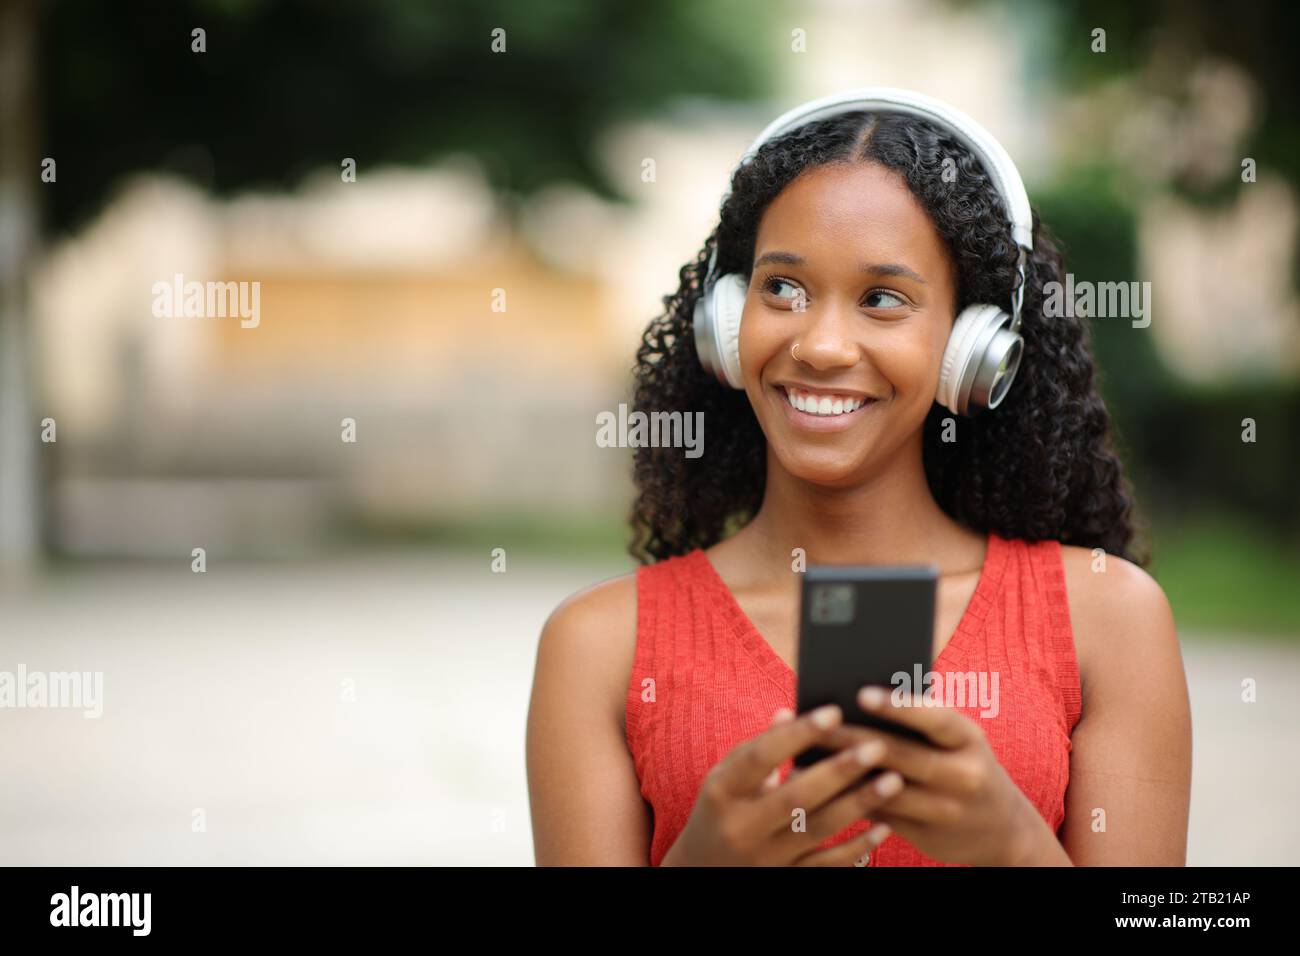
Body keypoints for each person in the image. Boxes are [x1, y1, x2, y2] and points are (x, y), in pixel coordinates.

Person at [526, 89, 1191, 866]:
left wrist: (1014, 848)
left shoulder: (1108, 620)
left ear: (971, 347)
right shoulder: (599, 647)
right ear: (727, 323)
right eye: (783, 288)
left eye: (883, 299)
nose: (823, 345)